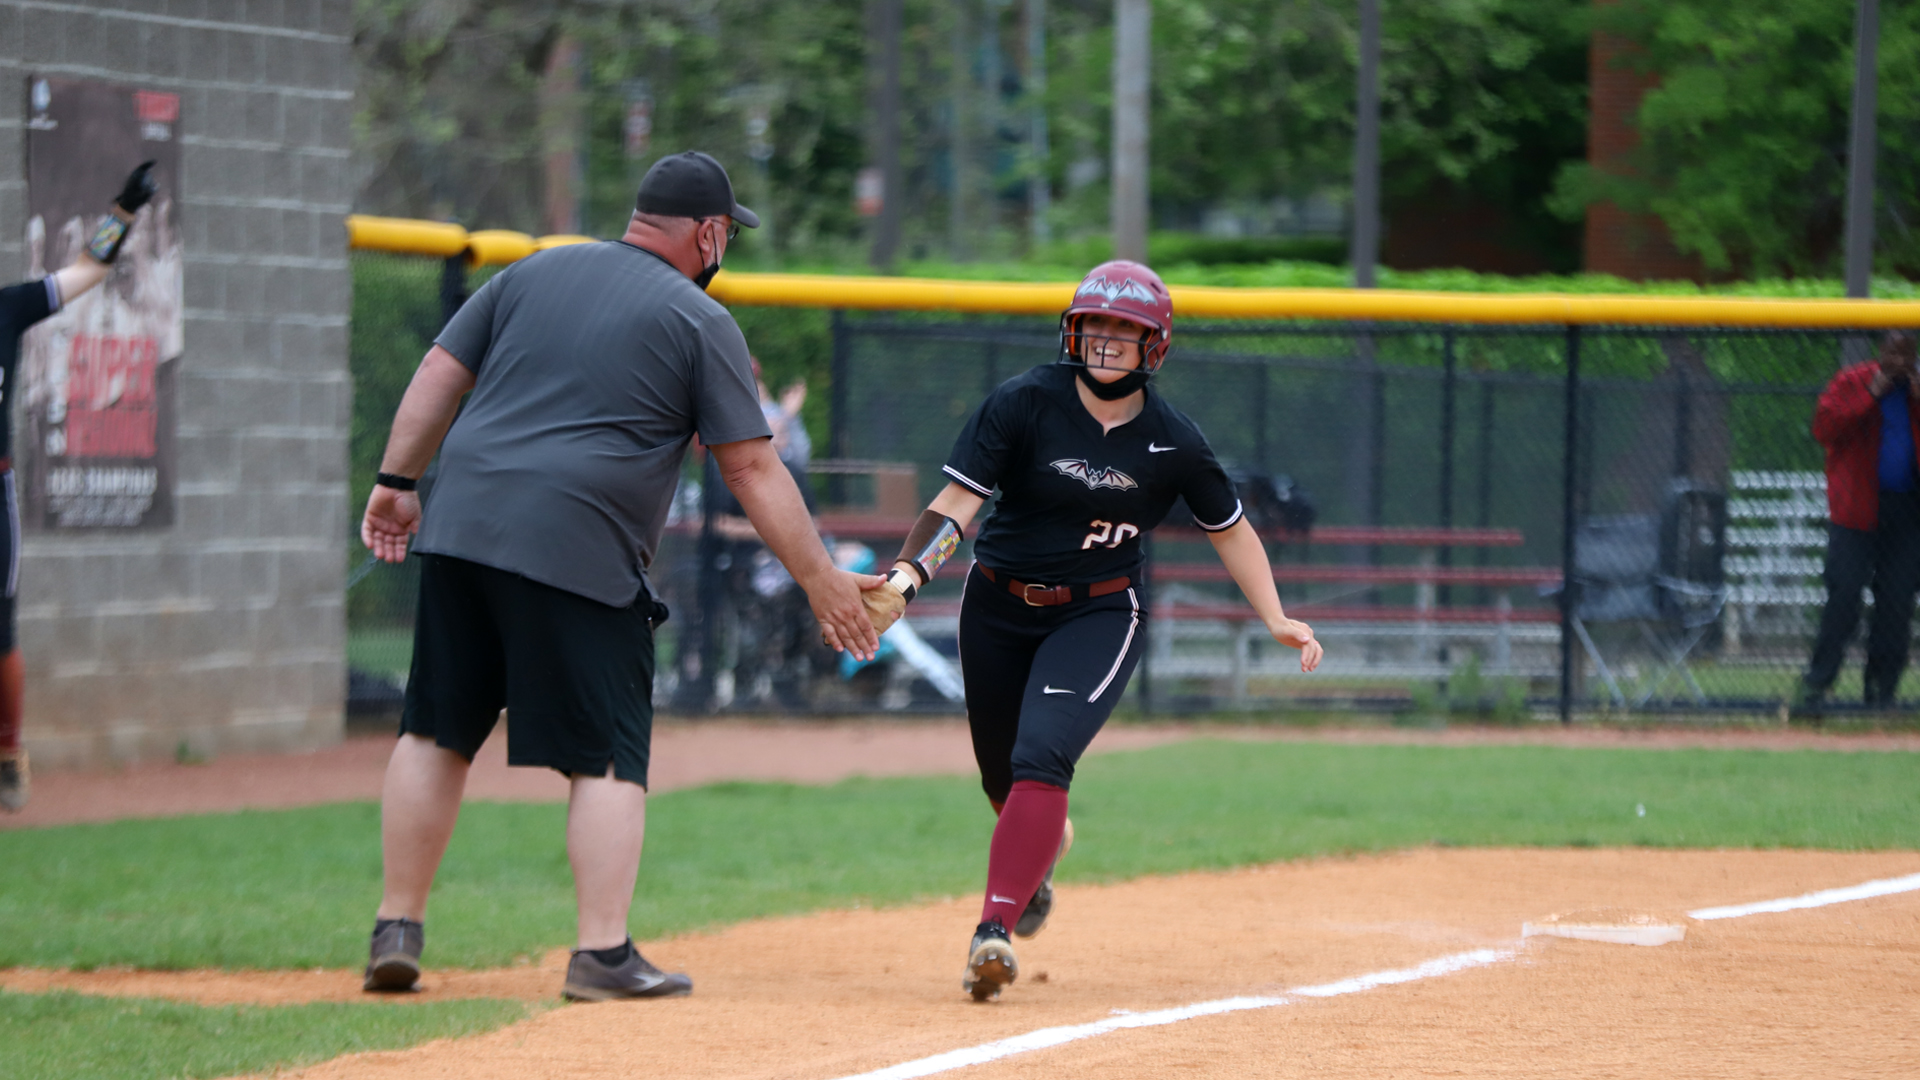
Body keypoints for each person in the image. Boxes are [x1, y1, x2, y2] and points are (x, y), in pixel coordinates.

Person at [358, 150, 884, 1001]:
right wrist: (821, 576)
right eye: (728, 234)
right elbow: (750, 469)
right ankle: (601, 953)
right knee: (605, 754)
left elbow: (438, 374)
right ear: (710, 234)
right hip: (580, 545)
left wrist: (394, 484)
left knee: (436, 728)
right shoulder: (698, 318)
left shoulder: (530, 272)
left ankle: (398, 926)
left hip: (461, 528)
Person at [860, 260, 1324, 1001]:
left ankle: (994, 931)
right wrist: (908, 578)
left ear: (1155, 344)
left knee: (1043, 755)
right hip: (997, 604)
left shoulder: (1175, 441)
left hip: (1099, 611)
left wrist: (1274, 615)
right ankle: (1041, 851)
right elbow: (956, 504)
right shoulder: (1022, 403)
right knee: (1002, 779)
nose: (1108, 339)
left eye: (1126, 328)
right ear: (1074, 329)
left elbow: (1230, 530)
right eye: (1097, 323)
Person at [0, 162, 158, 812]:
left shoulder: (8, 307)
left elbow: (88, 275)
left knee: (1, 631)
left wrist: (121, 212)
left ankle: (9, 751)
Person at [1801, 331, 1920, 713]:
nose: (1899, 362)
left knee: (1896, 604)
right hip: (1856, 512)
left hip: (1906, 514)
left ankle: (1881, 693)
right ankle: (1817, 688)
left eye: (1906, 355)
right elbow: (1824, 428)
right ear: (1880, 352)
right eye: (1892, 353)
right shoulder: (1851, 381)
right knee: (1844, 597)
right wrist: (1871, 394)